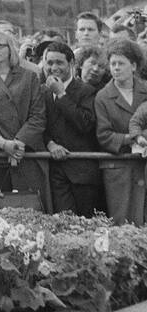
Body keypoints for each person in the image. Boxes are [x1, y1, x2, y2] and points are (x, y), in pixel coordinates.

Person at [0, 26, 50, 210]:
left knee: (32, 208)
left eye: (0, 46)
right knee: (1, 210)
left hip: (27, 153)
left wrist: (18, 143)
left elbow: (38, 115)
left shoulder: (29, 77)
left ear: (10, 49)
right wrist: (3, 144)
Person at [42, 40, 101, 217]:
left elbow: (85, 124)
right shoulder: (41, 92)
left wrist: (61, 94)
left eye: (59, 62)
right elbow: (38, 124)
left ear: (72, 64)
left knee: (87, 225)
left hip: (82, 172)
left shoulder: (86, 91)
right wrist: (50, 144)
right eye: (50, 62)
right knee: (63, 224)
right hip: (56, 172)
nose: (54, 67)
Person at [94, 36, 147, 226]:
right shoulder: (103, 97)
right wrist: (132, 138)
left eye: (121, 63)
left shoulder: (145, 91)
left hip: (145, 164)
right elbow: (104, 136)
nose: (116, 67)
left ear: (133, 66)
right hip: (120, 169)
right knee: (122, 224)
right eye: (112, 63)